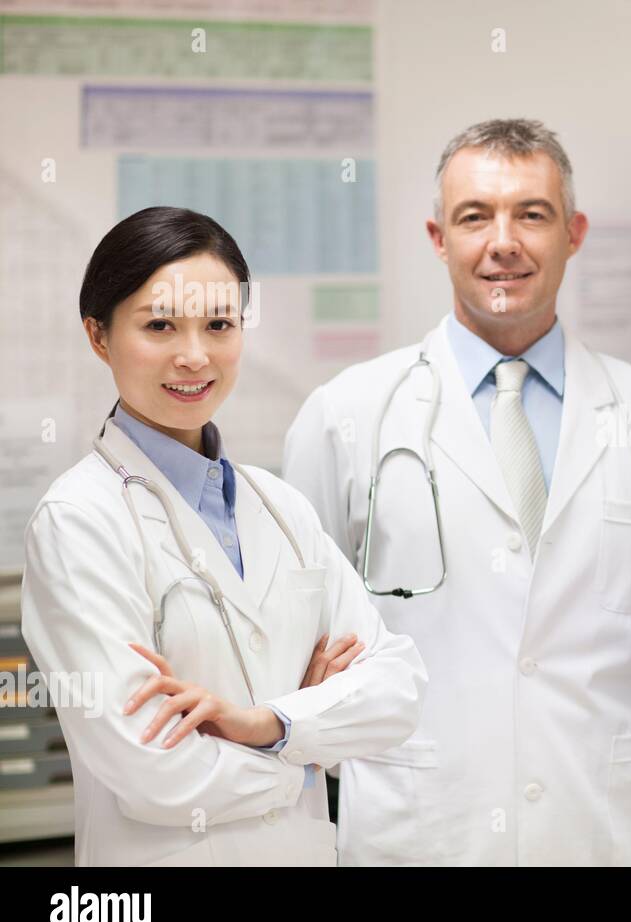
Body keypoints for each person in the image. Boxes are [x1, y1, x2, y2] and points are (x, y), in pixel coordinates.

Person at [282, 119, 631, 865]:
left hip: (597, 818)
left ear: (574, 233)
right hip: (422, 819)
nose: (502, 242)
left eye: (531, 214)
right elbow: (303, 630)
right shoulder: (347, 415)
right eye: (475, 216)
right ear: (438, 236)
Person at [20, 206, 427, 867]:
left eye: (219, 324)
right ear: (99, 335)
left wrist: (264, 723)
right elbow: (151, 768)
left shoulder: (284, 510)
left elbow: (398, 689)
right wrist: (308, 751)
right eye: (159, 326)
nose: (194, 355)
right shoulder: (78, 521)